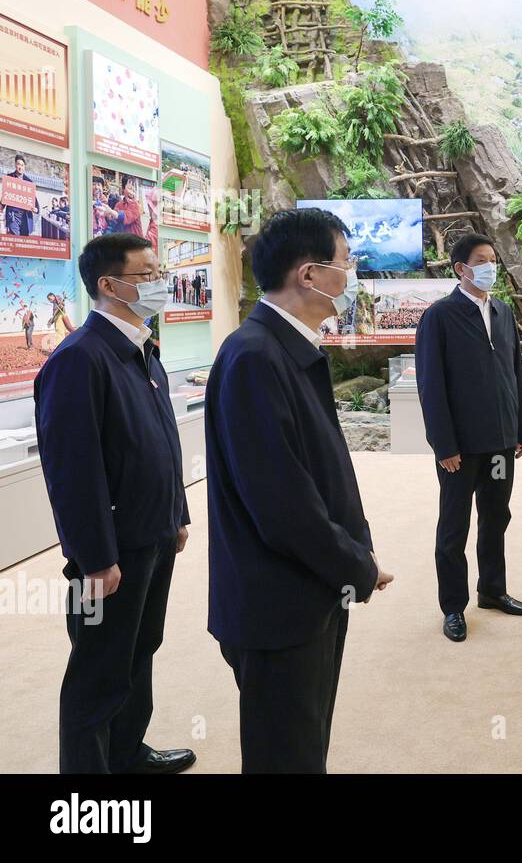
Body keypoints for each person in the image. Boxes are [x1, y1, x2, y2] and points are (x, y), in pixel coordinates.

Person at [206, 207, 394, 773]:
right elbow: (283, 506)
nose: (351, 274)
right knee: (284, 755)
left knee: (302, 745)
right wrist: (355, 565)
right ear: (309, 275)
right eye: (346, 262)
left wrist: (352, 556)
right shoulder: (256, 358)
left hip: (308, 591)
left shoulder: (283, 349)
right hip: (279, 602)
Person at [33, 233, 194, 774]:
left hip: (153, 534)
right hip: (109, 553)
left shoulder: (142, 348)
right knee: (97, 671)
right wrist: (96, 558)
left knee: (140, 650)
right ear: (109, 285)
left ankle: (127, 754)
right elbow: (73, 472)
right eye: (147, 274)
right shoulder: (79, 359)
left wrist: (178, 514)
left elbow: (162, 442)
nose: (160, 282)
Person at [416, 233, 522, 643]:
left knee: (496, 518)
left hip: (502, 442)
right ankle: (453, 607)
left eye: (493, 260)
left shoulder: (502, 312)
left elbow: (515, 374)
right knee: (454, 527)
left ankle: (492, 590)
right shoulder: (439, 316)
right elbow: (431, 386)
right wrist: (443, 445)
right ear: (460, 268)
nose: (490, 267)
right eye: (482, 261)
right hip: (460, 450)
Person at [2, 152, 38, 236]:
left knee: (23, 241)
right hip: (13, 215)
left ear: (24, 167)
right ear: (15, 165)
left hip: (25, 216)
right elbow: (5, 195)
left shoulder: (29, 182)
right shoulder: (9, 178)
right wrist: (1, 207)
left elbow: (33, 198)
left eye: (22, 165)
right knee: (15, 238)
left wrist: (36, 209)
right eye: (18, 164)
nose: (20, 167)